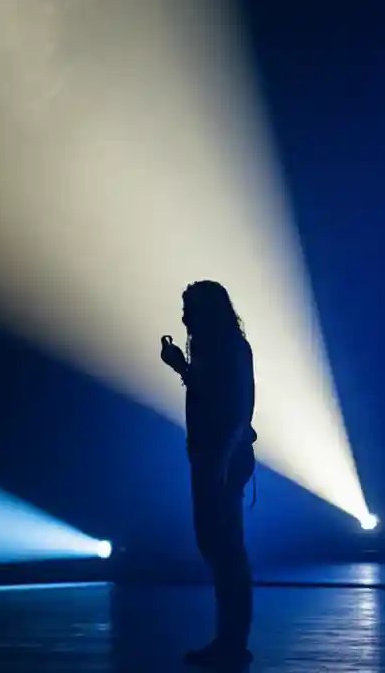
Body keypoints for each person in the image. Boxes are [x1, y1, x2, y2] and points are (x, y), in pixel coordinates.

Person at [160, 280, 256, 668]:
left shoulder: (231, 349)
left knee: (226, 550)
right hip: (210, 459)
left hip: (223, 460)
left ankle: (232, 642)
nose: (183, 315)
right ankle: (229, 640)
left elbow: (238, 408)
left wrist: (221, 461)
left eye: (188, 307)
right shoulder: (208, 349)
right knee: (217, 546)